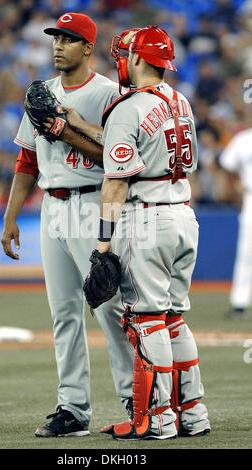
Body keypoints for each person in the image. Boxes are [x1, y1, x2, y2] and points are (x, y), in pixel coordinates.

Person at [1, 12, 134, 438]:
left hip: (95, 203)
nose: (58, 45)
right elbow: (26, 160)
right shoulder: (42, 93)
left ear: (88, 47)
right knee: (63, 313)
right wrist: (11, 216)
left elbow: (120, 163)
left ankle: (136, 401)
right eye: (55, 38)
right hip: (52, 208)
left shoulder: (110, 95)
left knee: (110, 308)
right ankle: (73, 409)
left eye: (69, 39)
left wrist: (69, 130)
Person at [87, 25, 210, 440]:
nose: (120, 59)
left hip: (147, 220)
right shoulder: (181, 101)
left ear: (137, 58)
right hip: (183, 215)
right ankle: (193, 414)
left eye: (124, 53)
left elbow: (117, 182)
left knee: (146, 320)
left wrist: (103, 244)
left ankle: (158, 418)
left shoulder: (128, 107)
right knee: (174, 319)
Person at [219, 127, 252, 317]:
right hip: (250, 198)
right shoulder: (244, 139)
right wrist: (237, 188)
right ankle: (239, 302)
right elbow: (227, 164)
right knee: (246, 252)